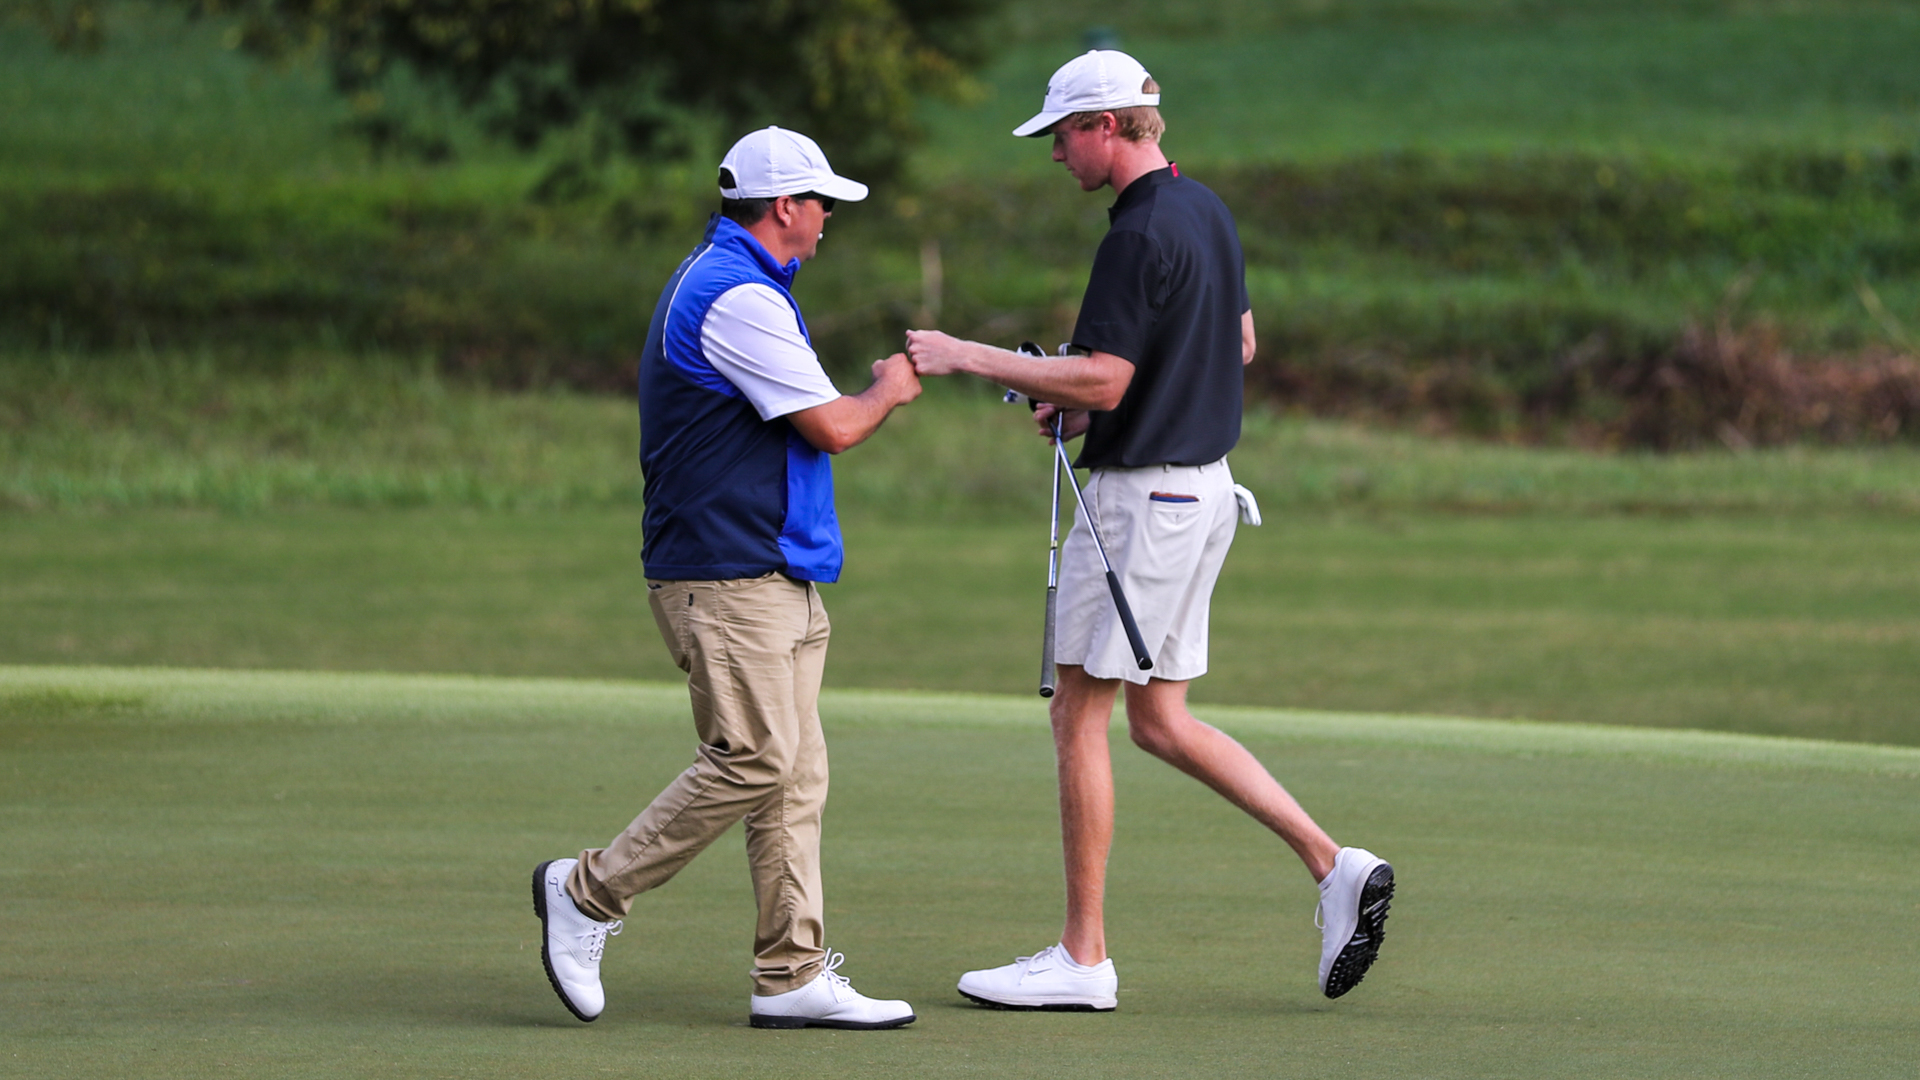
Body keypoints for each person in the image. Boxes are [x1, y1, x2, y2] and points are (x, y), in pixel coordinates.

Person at [905, 50, 1396, 1009]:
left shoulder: (1133, 234)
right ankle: (1335, 866)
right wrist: (1100, 407)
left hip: (1144, 507)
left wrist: (971, 355)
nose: (1056, 155)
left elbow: (1105, 377)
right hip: (1204, 494)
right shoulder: (1204, 208)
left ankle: (1082, 960)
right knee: (1159, 721)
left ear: (1104, 125)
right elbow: (1233, 343)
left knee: (1077, 714)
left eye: (1062, 135)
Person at [533, 126, 922, 1031]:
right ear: (784, 207)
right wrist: (892, 388)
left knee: (793, 779)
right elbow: (834, 426)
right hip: (725, 572)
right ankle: (587, 892)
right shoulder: (736, 296)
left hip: (769, 569)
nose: (828, 217)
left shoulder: (740, 282)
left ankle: (790, 975)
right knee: (755, 759)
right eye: (821, 202)